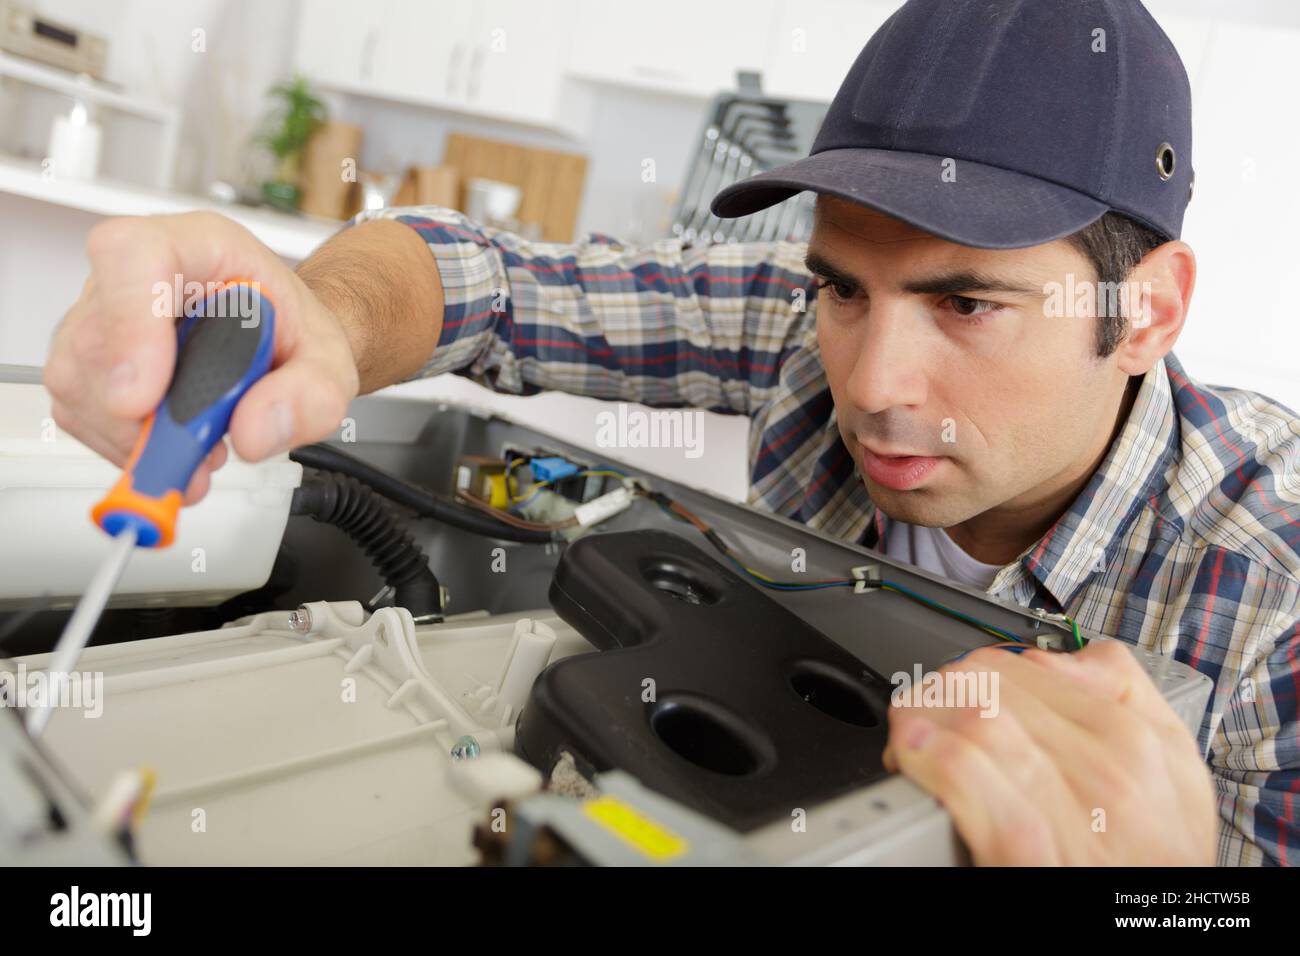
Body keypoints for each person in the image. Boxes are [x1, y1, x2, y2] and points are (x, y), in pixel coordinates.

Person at [44, 0, 1298, 865]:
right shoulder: (793, 327)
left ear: (1146, 311)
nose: (870, 379)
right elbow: (488, 279)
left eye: (966, 301)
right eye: (842, 286)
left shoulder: (1273, 601)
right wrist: (318, 306)